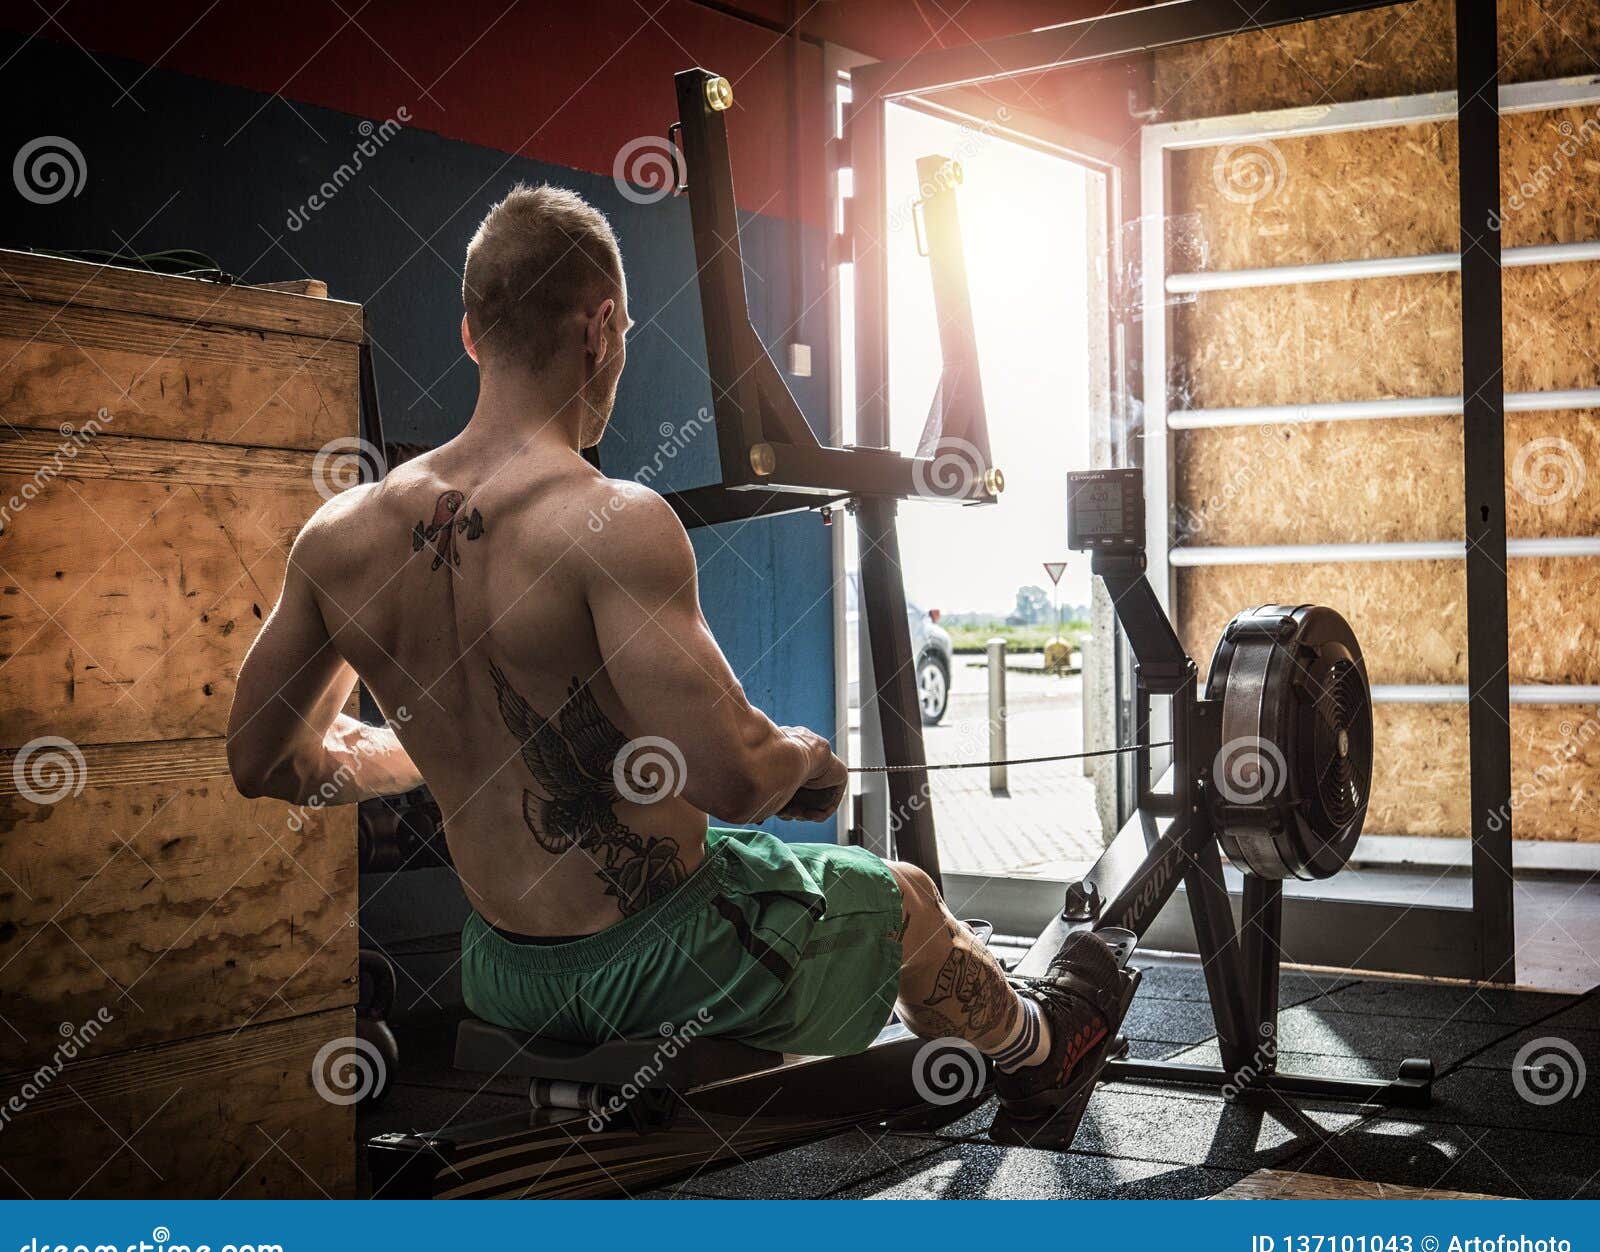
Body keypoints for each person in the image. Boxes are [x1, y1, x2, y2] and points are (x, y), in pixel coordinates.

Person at [227, 182, 1125, 1125]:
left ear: (470, 333)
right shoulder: (612, 520)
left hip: (497, 966)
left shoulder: (340, 535)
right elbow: (734, 780)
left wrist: (430, 746)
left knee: (743, 861)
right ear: (603, 329)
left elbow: (266, 761)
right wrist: (808, 758)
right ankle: (1040, 1048)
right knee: (899, 894)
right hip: (670, 965)